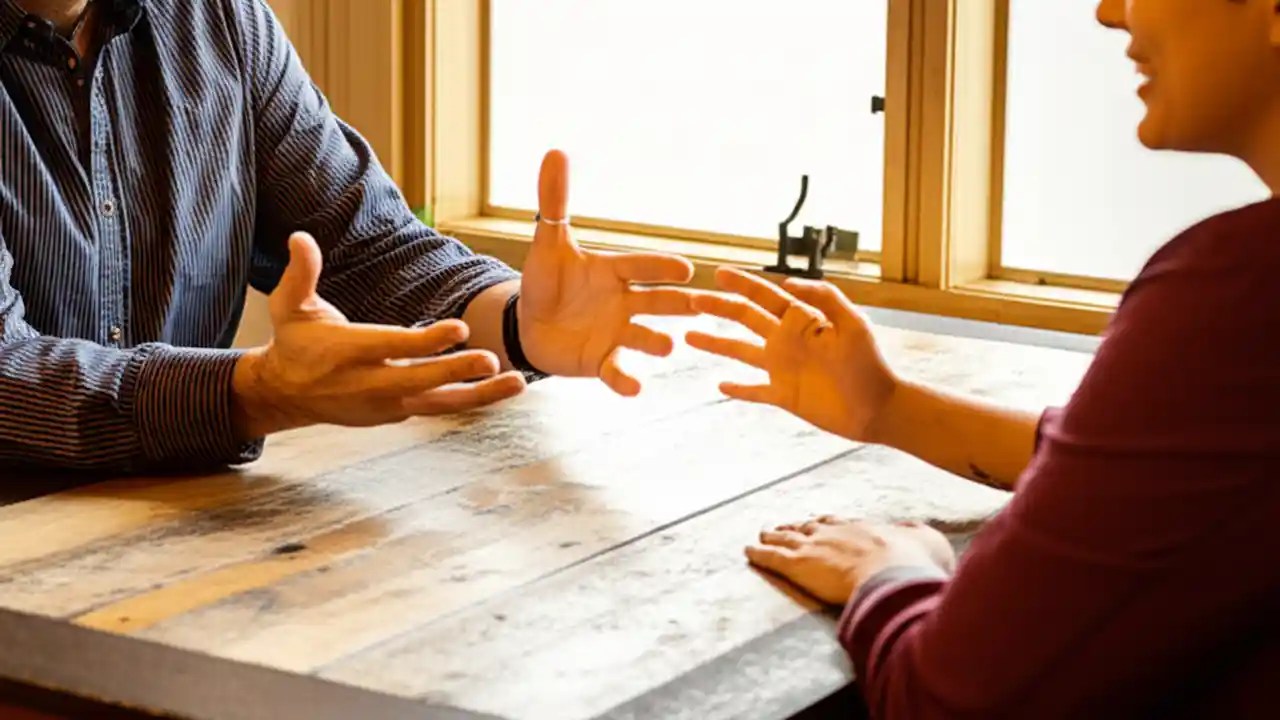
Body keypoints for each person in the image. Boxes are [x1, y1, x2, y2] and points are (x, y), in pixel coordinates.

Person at [688, 0, 1280, 717]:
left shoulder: (1241, 286)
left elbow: (945, 699)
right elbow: (1175, 473)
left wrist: (892, 571)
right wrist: (888, 407)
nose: (1109, 12)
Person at [0, 0, 699, 473]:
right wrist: (257, 391)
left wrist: (519, 323)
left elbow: (366, 244)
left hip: (175, 544)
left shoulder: (219, 20)